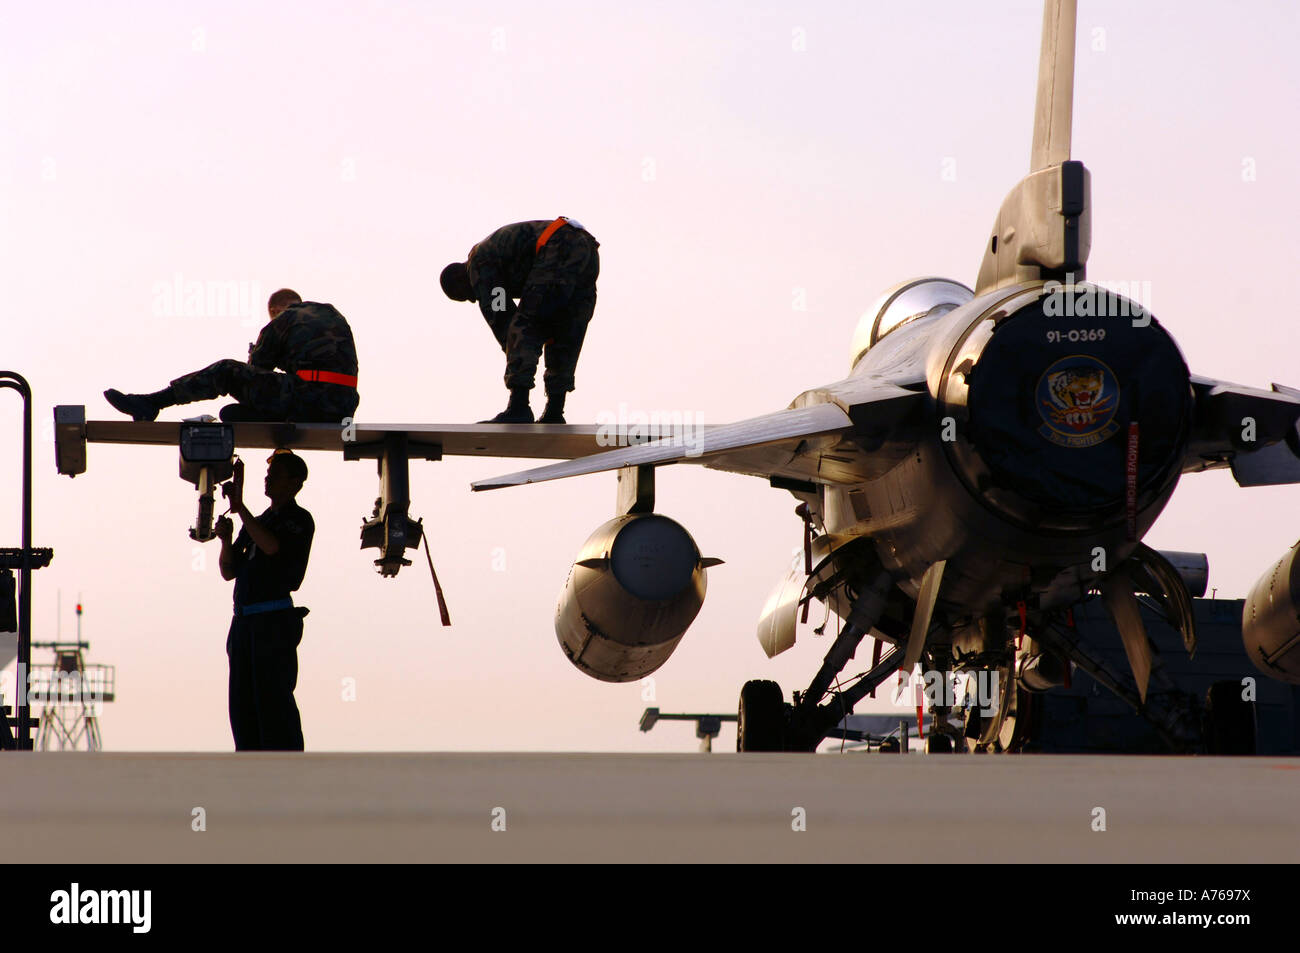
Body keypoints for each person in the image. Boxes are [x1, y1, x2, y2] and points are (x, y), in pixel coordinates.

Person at [104, 288, 359, 424]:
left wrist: (254, 357)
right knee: (232, 413)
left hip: (309, 398)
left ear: (274, 310)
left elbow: (256, 371)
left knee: (226, 371)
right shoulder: (330, 313)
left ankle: (152, 403)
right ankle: (271, 416)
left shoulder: (283, 319)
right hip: (342, 407)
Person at [440, 217, 599, 423]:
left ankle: (519, 406)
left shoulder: (478, 265)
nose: (473, 299)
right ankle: (554, 411)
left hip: (557, 246)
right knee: (566, 328)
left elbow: (502, 318)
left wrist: (518, 354)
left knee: (523, 326)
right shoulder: (491, 255)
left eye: (467, 295)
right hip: (586, 249)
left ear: (460, 280)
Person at [215, 451, 314, 751]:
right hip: (244, 624)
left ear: (295, 484)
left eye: (276, 475)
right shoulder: (258, 521)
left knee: (273, 704)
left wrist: (240, 508)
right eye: (268, 475)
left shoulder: (299, 520)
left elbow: (271, 546)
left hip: (272, 625)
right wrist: (224, 540)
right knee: (242, 707)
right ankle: (250, 769)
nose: (268, 480)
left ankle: (285, 768)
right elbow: (228, 571)